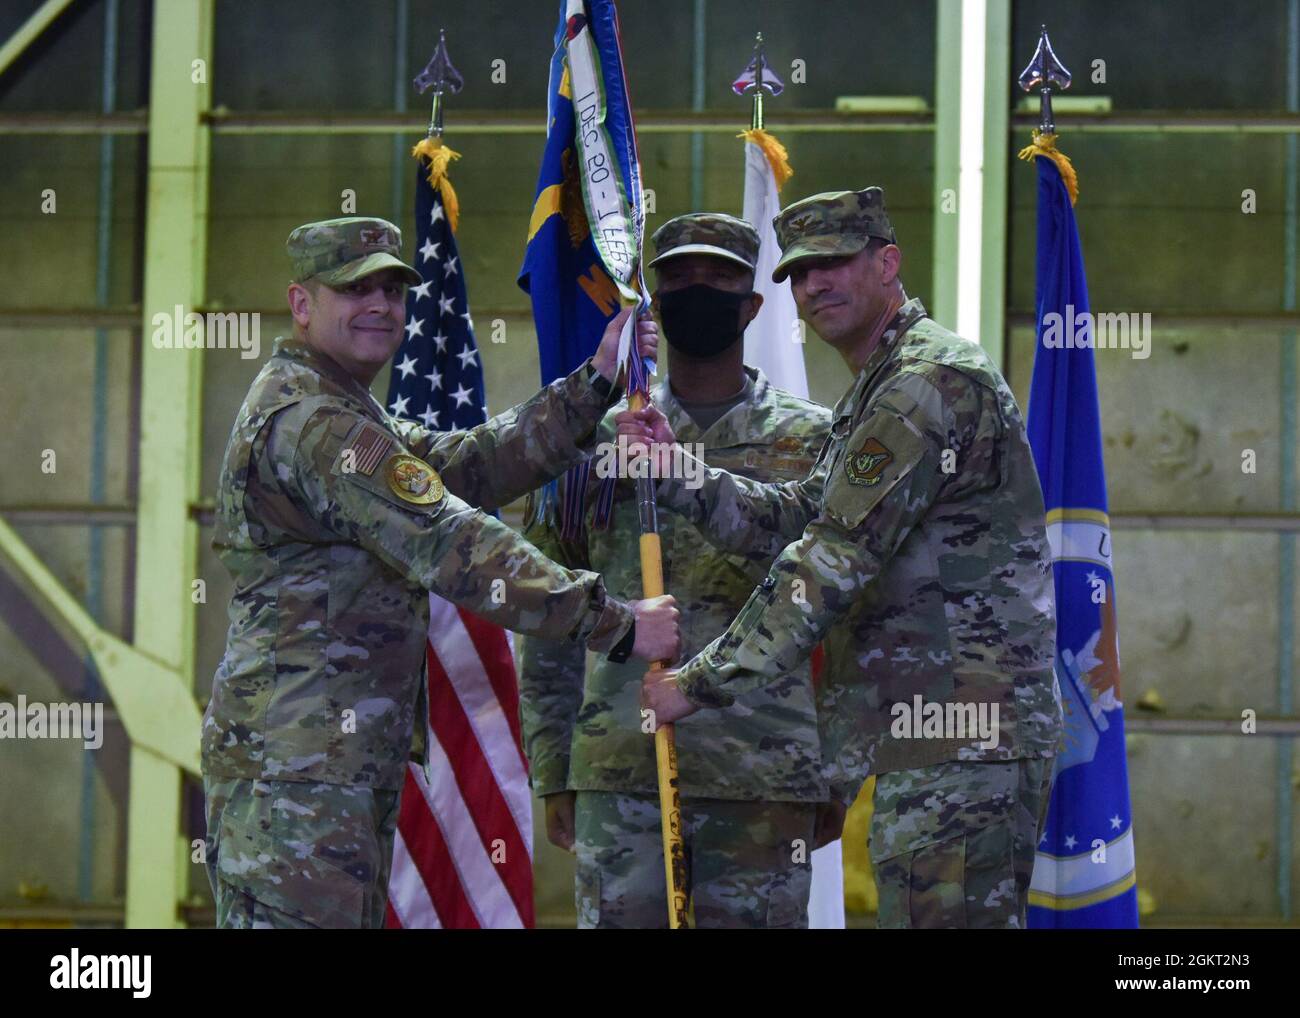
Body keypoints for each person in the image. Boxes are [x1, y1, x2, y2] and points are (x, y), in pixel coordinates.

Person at [202, 215, 680, 929]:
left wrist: (597, 385)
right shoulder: (315, 424)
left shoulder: (343, 409)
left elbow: (467, 464)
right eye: (355, 289)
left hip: (319, 766)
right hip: (298, 777)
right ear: (302, 304)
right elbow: (451, 540)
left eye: (393, 291)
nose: (381, 307)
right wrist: (612, 623)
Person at [621, 189, 1063, 929]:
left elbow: (831, 560)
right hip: (933, 735)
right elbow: (803, 517)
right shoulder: (879, 389)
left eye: (833, 264)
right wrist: (683, 475)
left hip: (961, 737)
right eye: (797, 272)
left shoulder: (925, 383)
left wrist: (701, 682)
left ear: (889, 263)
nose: (813, 285)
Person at [519, 213, 835, 928]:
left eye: (721, 277)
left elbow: (840, 612)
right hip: (619, 767)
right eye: (681, 278)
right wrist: (552, 765)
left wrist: (835, 767)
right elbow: (546, 609)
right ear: (653, 303)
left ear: (753, 305)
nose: (701, 291)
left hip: (763, 770)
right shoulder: (594, 441)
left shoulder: (813, 440)